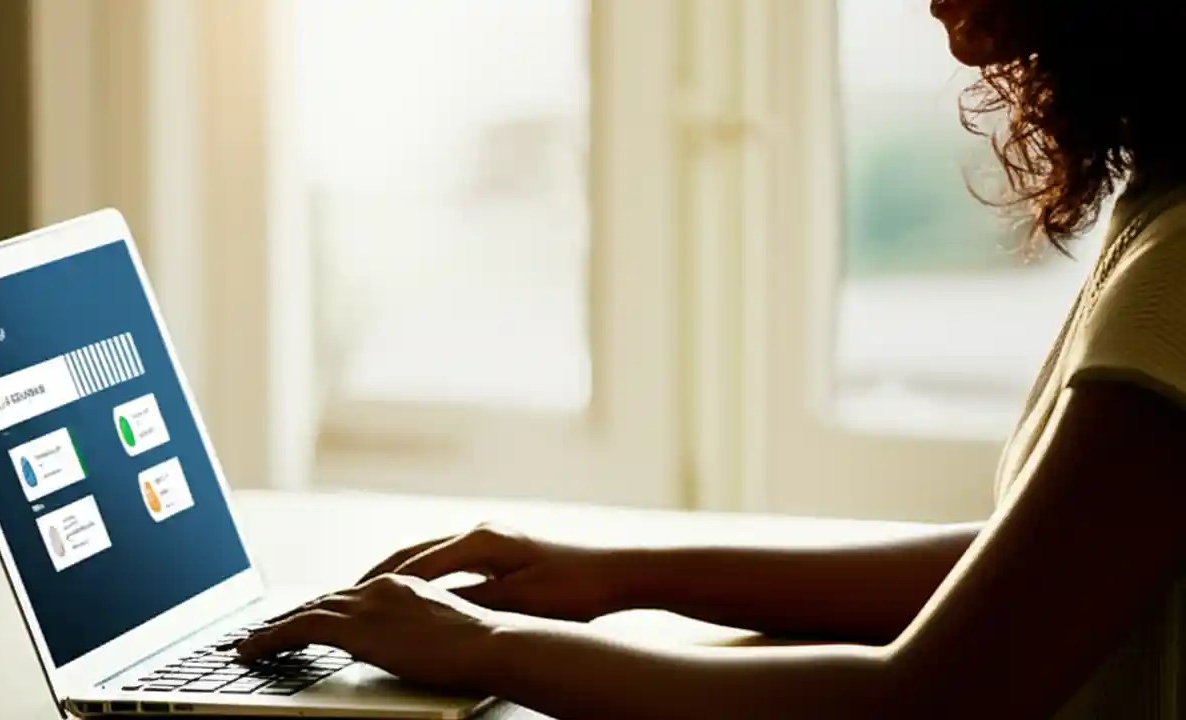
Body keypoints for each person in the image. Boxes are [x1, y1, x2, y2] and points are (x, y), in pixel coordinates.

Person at [230, 1, 1186, 716]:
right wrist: (615, 575)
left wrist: (489, 647)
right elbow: (1034, 574)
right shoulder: (1161, 197)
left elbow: (934, 697)